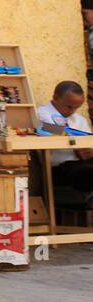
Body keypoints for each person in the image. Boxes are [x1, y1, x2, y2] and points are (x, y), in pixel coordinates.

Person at [37, 81, 93, 209]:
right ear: (55, 98)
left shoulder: (79, 119)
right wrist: (76, 140)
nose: (72, 111)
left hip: (82, 167)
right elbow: (52, 130)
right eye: (69, 107)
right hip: (59, 170)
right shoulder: (41, 115)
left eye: (76, 108)